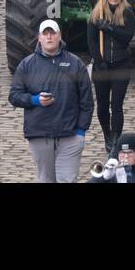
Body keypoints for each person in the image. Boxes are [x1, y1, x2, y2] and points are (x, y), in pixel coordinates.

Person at [9, 19, 94, 183]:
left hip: (70, 135)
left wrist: (81, 131)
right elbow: (14, 96)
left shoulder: (75, 63)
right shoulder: (26, 65)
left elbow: (87, 101)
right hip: (39, 134)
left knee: (67, 180)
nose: (49, 37)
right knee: (46, 179)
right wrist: (35, 100)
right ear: (39, 38)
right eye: (45, 34)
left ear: (59, 36)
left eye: (52, 33)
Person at [87, 0, 135, 156]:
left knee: (116, 105)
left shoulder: (127, 13)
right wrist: (99, 61)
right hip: (103, 66)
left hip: (121, 65)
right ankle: (107, 133)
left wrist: (110, 29)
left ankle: (116, 138)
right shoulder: (97, 14)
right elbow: (91, 41)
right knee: (101, 106)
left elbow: (127, 37)